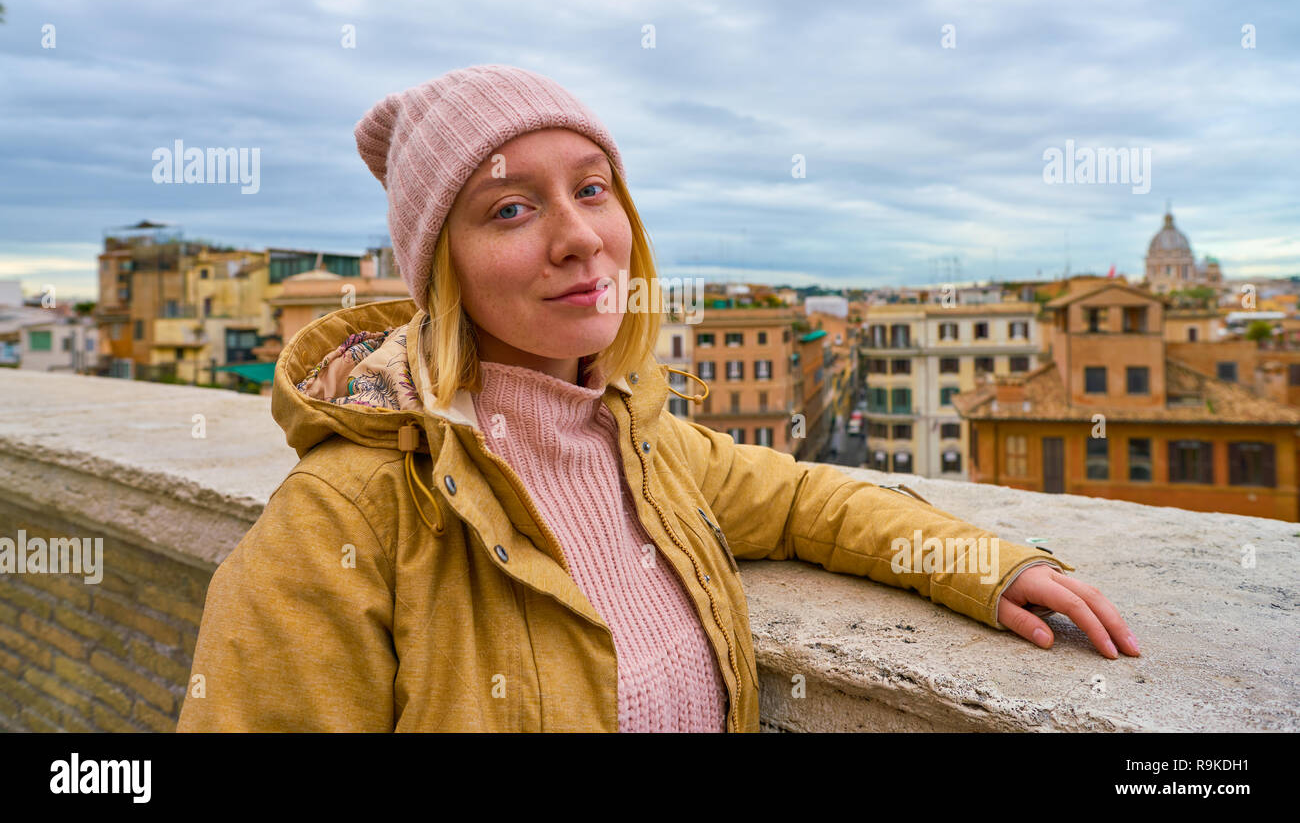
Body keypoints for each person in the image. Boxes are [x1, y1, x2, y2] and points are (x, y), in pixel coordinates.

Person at [177, 64, 1138, 733]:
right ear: (442, 270)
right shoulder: (345, 516)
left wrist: (988, 564)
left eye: (593, 190)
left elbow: (811, 501)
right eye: (511, 208)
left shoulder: (642, 442)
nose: (578, 237)